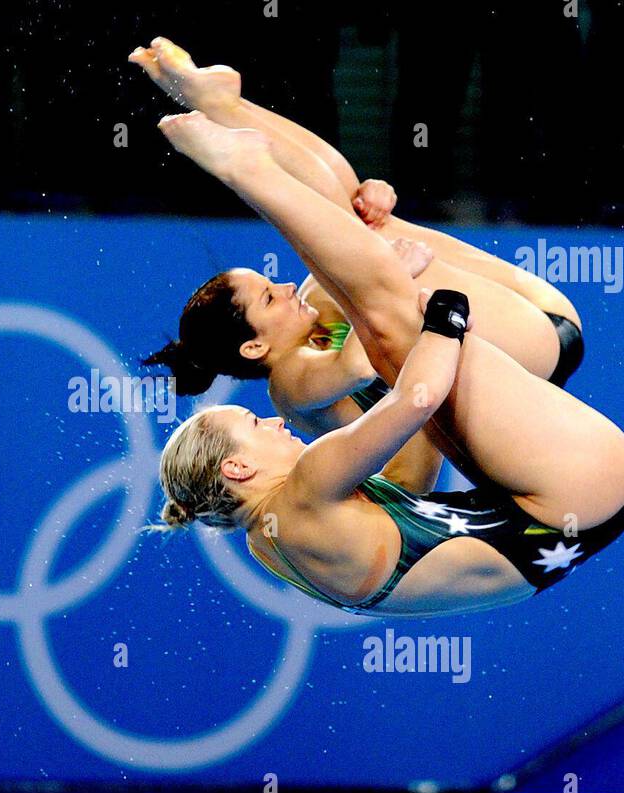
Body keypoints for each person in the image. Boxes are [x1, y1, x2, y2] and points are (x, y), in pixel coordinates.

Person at [146, 108, 624, 618]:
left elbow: (411, 465)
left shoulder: (268, 545)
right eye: (253, 423)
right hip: (566, 495)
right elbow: (416, 398)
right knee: (387, 314)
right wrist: (443, 321)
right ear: (238, 467)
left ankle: (233, 122)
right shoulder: (306, 475)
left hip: (557, 515)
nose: (272, 420)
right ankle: (244, 168)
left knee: (367, 266)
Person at [131, 39, 586, 493]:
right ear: (254, 347)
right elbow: (360, 365)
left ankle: (224, 105)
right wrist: (393, 272)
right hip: (535, 353)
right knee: (354, 253)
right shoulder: (290, 388)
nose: (286, 287)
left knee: (354, 221)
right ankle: (231, 129)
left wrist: (377, 198)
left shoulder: (315, 303)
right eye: (269, 297)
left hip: (534, 314)